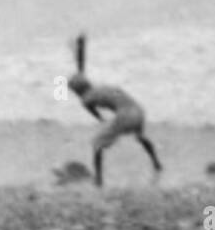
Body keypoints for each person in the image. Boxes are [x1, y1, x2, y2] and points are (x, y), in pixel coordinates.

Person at [67, 34, 162, 187]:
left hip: (124, 116)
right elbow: (81, 69)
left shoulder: (86, 99)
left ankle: (98, 180)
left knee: (97, 144)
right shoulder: (100, 88)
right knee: (140, 137)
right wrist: (81, 45)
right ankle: (156, 162)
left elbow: (97, 115)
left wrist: (103, 121)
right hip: (138, 110)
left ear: (77, 91)